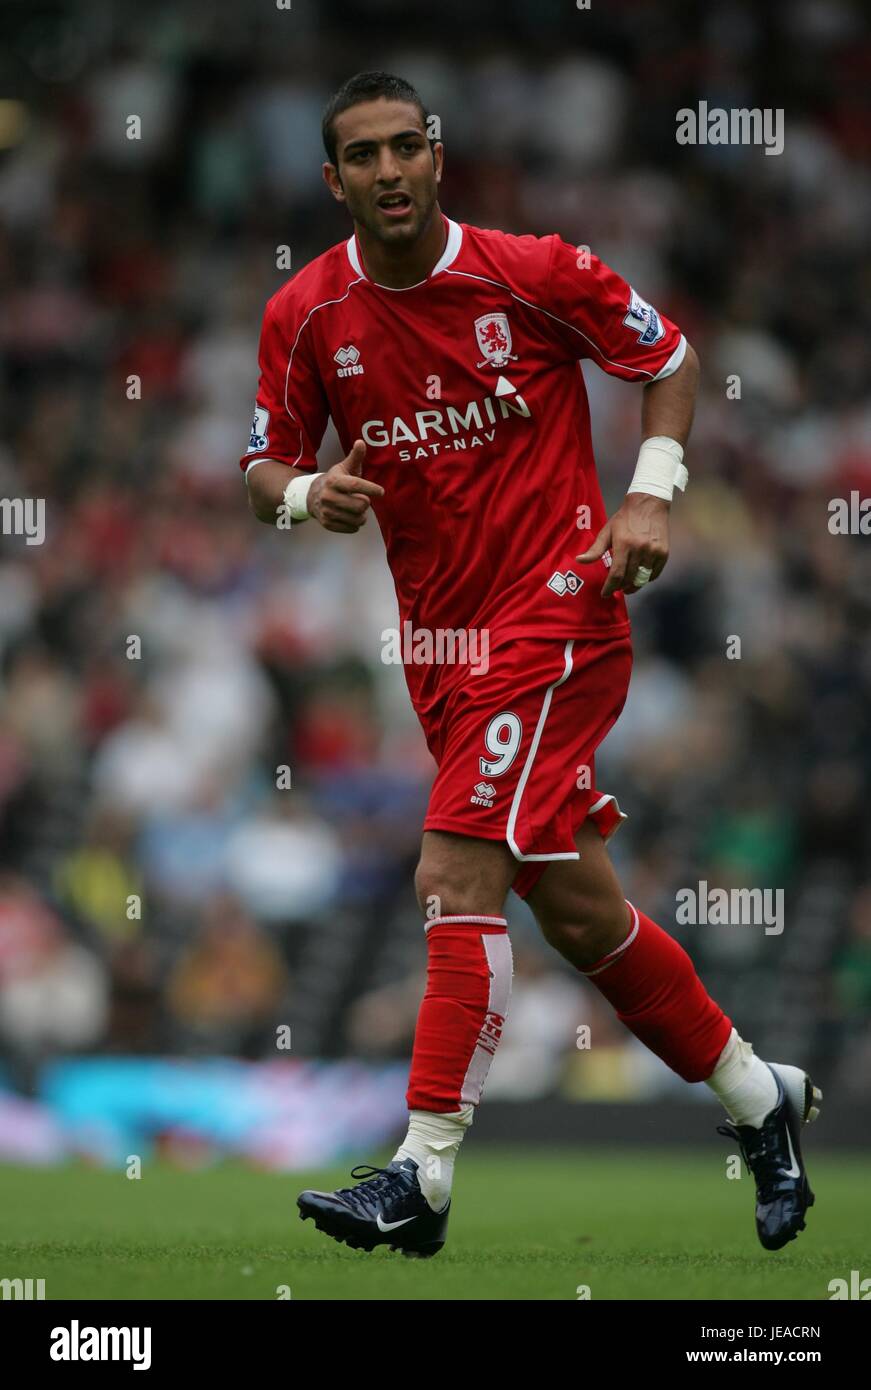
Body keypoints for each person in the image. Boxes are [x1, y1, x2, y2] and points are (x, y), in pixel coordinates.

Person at [242, 71, 820, 1259]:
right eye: (365, 155)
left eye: (409, 146)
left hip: (561, 611)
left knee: (454, 872)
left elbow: (669, 360)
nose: (391, 170)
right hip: (441, 653)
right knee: (578, 910)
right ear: (332, 179)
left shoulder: (533, 272)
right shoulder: (304, 315)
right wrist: (307, 493)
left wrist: (650, 497)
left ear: (438, 156)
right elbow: (262, 467)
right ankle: (758, 1096)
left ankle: (423, 1172)